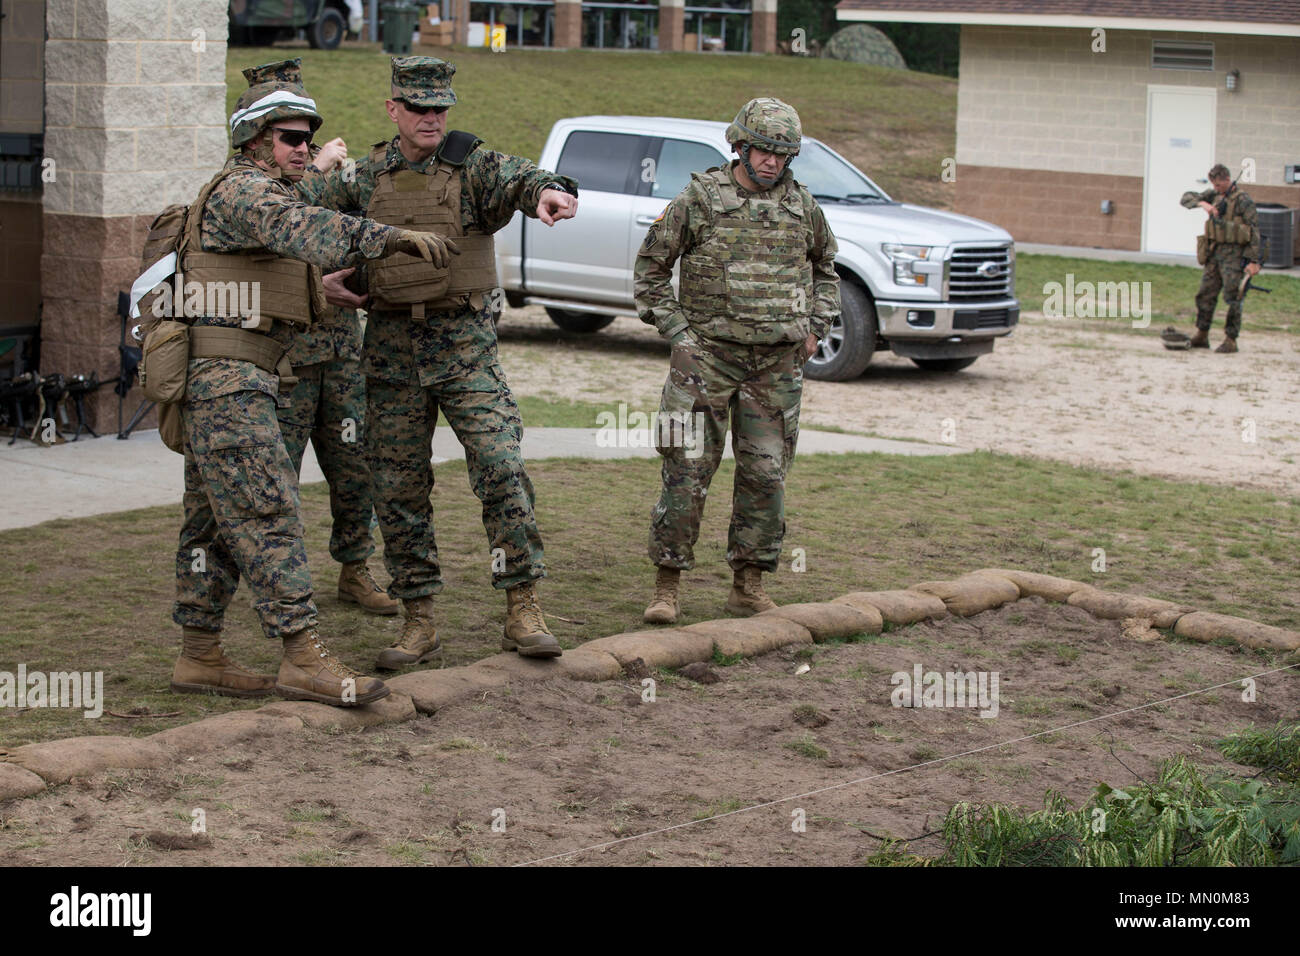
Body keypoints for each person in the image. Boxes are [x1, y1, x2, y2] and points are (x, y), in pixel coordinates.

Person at [166, 59, 451, 706]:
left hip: (232, 378)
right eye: (292, 138)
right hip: (229, 385)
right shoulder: (246, 190)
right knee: (268, 510)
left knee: (213, 523)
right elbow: (306, 229)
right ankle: (302, 656)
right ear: (257, 140)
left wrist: (314, 295)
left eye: (309, 138)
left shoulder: (251, 194)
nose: (306, 149)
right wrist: (394, 237)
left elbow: (251, 277)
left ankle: (200, 656)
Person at [295, 56, 578, 668]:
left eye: (440, 107)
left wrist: (552, 192)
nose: (431, 118)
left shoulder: (472, 165)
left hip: (464, 350)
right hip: (391, 352)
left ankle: (522, 606)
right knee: (397, 488)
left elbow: (524, 178)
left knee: (501, 468)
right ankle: (417, 618)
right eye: (418, 107)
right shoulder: (365, 176)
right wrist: (320, 275)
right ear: (393, 109)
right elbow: (297, 216)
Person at [634, 97, 839, 624]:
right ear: (740, 146)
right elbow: (651, 273)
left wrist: (817, 327)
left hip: (775, 367)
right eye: (763, 151)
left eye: (781, 155)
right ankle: (667, 587)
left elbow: (826, 271)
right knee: (686, 472)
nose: (772, 162)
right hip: (707, 361)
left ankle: (748, 584)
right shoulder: (699, 199)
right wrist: (679, 334)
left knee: (765, 478)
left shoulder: (802, 206)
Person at [272, 144, 399, 618]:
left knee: (355, 469)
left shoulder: (345, 187)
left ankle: (356, 569)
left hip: (344, 354)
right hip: (289, 360)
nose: (304, 149)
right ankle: (281, 577)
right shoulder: (264, 193)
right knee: (279, 475)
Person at [1179, 163, 1261, 353]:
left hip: (1234, 255)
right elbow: (1185, 198)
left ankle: (1231, 339)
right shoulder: (1213, 195)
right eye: (1214, 185)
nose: (1216, 188)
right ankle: (1202, 333)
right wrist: (1203, 203)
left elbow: (1254, 230)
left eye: (1219, 185)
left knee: (1233, 297)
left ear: (1227, 179)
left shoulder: (1243, 200)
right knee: (1205, 293)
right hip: (1214, 253)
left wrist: (1253, 261)